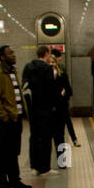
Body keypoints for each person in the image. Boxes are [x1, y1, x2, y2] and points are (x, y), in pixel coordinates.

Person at [0, 45, 32, 188]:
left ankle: (14, 180)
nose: (14, 54)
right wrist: (3, 117)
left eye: (13, 52)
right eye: (10, 53)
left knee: (13, 151)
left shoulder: (12, 72)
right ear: (2, 57)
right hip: (6, 121)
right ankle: (2, 183)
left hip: (15, 119)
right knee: (4, 152)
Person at [21, 45, 56, 174]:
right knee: (46, 137)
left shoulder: (27, 67)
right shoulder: (47, 68)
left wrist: (29, 106)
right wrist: (52, 105)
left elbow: (24, 87)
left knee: (34, 137)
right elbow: (51, 89)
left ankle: (34, 167)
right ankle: (45, 167)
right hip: (45, 109)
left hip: (32, 109)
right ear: (46, 54)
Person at [50, 50, 80, 163]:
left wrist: (63, 97)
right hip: (50, 111)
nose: (52, 64)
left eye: (53, 62)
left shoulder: (62, 75)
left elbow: (69, 91)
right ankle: (53, 162)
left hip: (61, 108)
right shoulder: (45, 77)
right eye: (50, 62)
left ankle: (63, 161)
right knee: (53, 136)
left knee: (61, 135)